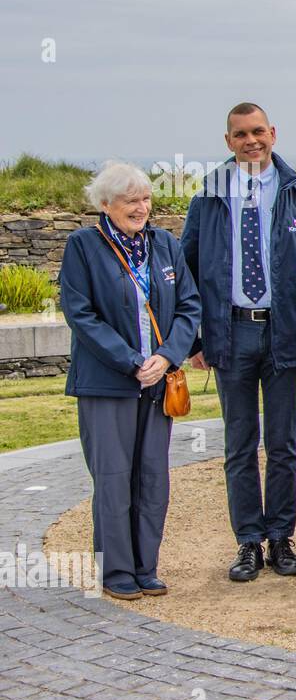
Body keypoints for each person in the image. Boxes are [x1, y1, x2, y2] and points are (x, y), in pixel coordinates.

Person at [181, 102, 296, 583]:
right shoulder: (209, 195)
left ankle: (281, 536)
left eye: (258, 131)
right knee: (240, 445)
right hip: (231, 332)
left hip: (285, 331)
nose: (251, 141)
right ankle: (248, 541)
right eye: (240, 134)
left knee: (283, 443)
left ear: (273, 133)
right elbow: (189, 268)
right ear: (228, 141)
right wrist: (196, 336)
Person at [62, 162, 201, 600]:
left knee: (153, 477)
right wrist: (130, 361)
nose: (141, 208)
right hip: (109, 382)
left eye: (145, 198)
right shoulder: (84, 245)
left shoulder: (165, 245)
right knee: (113, 475)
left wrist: (166, 356)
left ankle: (146, 566)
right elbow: (81, 314)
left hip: (159, 382)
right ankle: (116, 570)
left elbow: (189, 307)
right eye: (130, 201)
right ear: (106, 205)